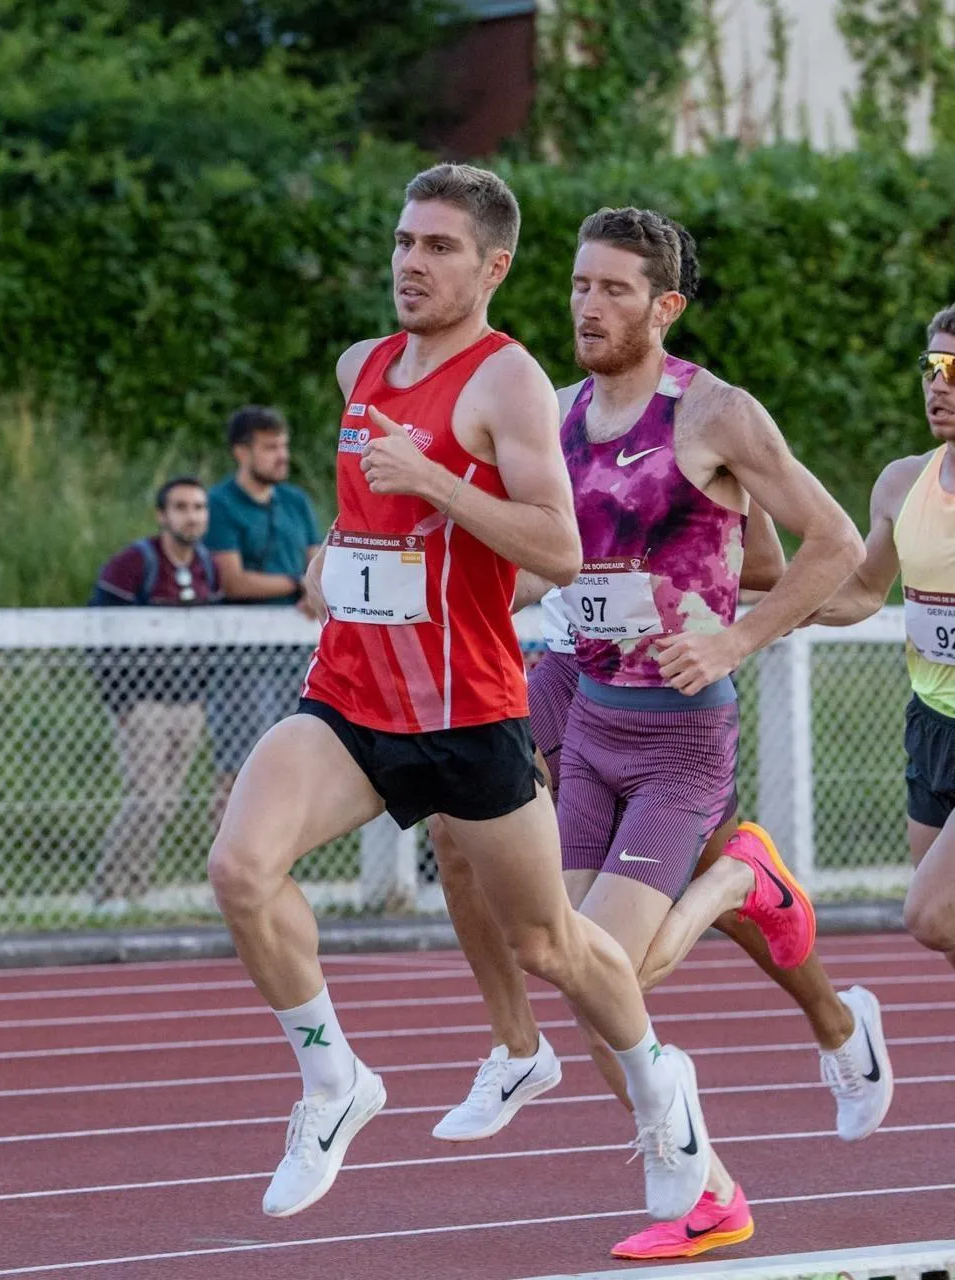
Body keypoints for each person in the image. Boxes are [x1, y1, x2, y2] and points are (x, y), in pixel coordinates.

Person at [209, 164, 719, 1227]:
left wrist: (438, 481)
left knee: (552, 944)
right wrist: (326, 560)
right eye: (403, 241)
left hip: (466, 707)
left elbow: (562, 547)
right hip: (351, 697)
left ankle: (660, 1093)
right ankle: (334, 1080)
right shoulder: (361, 365)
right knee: (241, 867)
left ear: (491, 266)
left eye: (438, 248)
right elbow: (371, 520)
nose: (409, 262)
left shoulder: (507, 382)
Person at [428, 206, 892, 1261]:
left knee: (618, 973)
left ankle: (745, 878)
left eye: (614, 290)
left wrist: (735, 639)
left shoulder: (715, 413)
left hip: (681, 739)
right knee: (573, 971)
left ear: (664, 304)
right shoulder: (549, 411)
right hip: (588, 718)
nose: (588, 305)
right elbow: (518, 542)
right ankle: (710, 1189)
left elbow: (833, 542)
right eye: (580, 286)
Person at [809, 303, 955, 964]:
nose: (938, 383)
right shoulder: (902, 483)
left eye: (954, 369)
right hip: (931, 724)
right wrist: (757, 608)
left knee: (929, 913)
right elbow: (863, 591)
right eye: (931, 365)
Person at [88, 476, 221, 903]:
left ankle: (135, 888)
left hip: (190, 704)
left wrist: (204, 693)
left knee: (168, 800)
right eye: (181, 507)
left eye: (199, 507)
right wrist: (119, 700)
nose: (192, 516)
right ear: (163, 516)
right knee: (149, 799)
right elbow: (97, 630)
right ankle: (110, 890)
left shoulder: (206, 565)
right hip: (143, 701)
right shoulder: (133, 564)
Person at [205, 406, 322, 819]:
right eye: (270, 447)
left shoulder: (295, 500)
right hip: (243, 656)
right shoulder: (219, 503)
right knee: (240, 764)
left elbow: (317, 561)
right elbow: (233, 580)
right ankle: (227, 850)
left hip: (297, 651)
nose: (281, 455)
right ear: (242, 452)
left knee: (289, 761)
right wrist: (297, 584)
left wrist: (314, 586)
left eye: (284, 445)